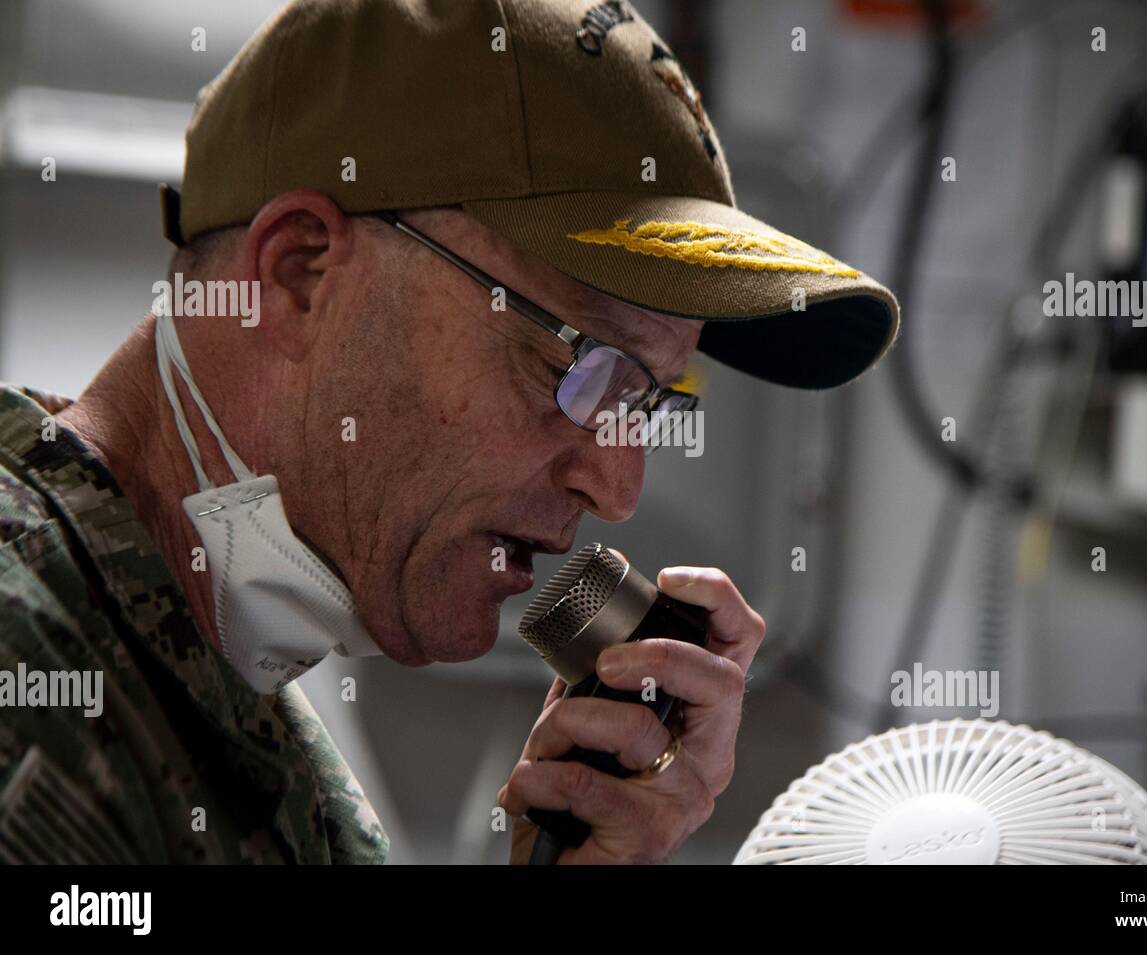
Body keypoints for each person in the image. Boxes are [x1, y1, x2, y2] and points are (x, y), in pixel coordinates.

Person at [0, 0, 898, 864]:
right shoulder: (27, 659)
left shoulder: (271, 761)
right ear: (300, 273)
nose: (618, 492)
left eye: (649, 401)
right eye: (579, 368)